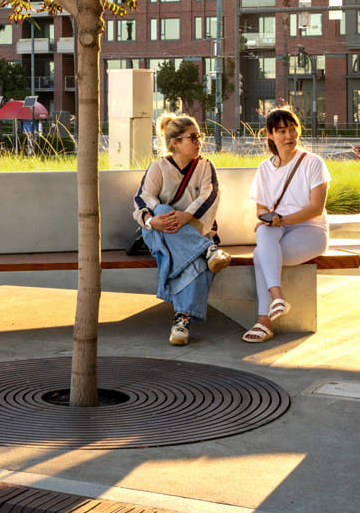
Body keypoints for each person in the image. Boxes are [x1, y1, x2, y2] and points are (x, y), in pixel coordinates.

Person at [134, 114, 230, 345]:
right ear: (175, 142)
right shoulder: (158, 167)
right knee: (163, 208)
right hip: (159, 232)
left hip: (194, 231)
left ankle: (181, 320)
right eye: (193, 137)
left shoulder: (205, 166)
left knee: (195, 262)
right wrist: (152, 221)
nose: (199, 142)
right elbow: (141, 199)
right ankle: (207, 251)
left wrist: (186, 216)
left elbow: (210, 196)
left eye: (199, 137)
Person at [244, 107, 330, 343]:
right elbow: (260, 210)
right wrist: (268, 218)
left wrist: (283, 220)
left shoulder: (313, 163)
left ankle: (265, 318)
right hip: (278, 230)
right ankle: (277, 299)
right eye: (282, 131)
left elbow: (316, 208)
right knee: (263, 231)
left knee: (261, 255)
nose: (289, 136)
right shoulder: (264, 168)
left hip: (311, 231)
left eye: (293, 129)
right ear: (270, 135)